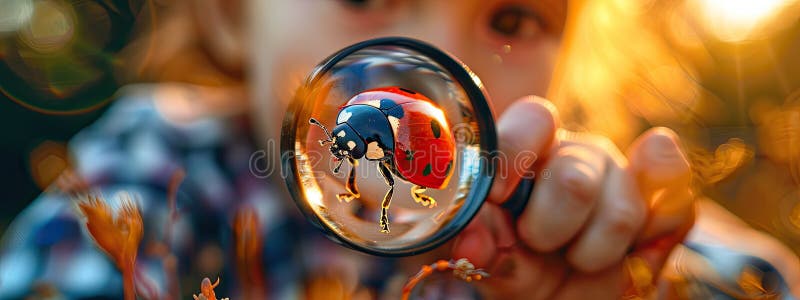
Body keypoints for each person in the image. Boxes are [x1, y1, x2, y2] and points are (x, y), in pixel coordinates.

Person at [0, 0, 796, 299]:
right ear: (229, 16)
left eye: (513, 21)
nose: (431, 79)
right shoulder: (166, 164)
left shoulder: (583, 224)